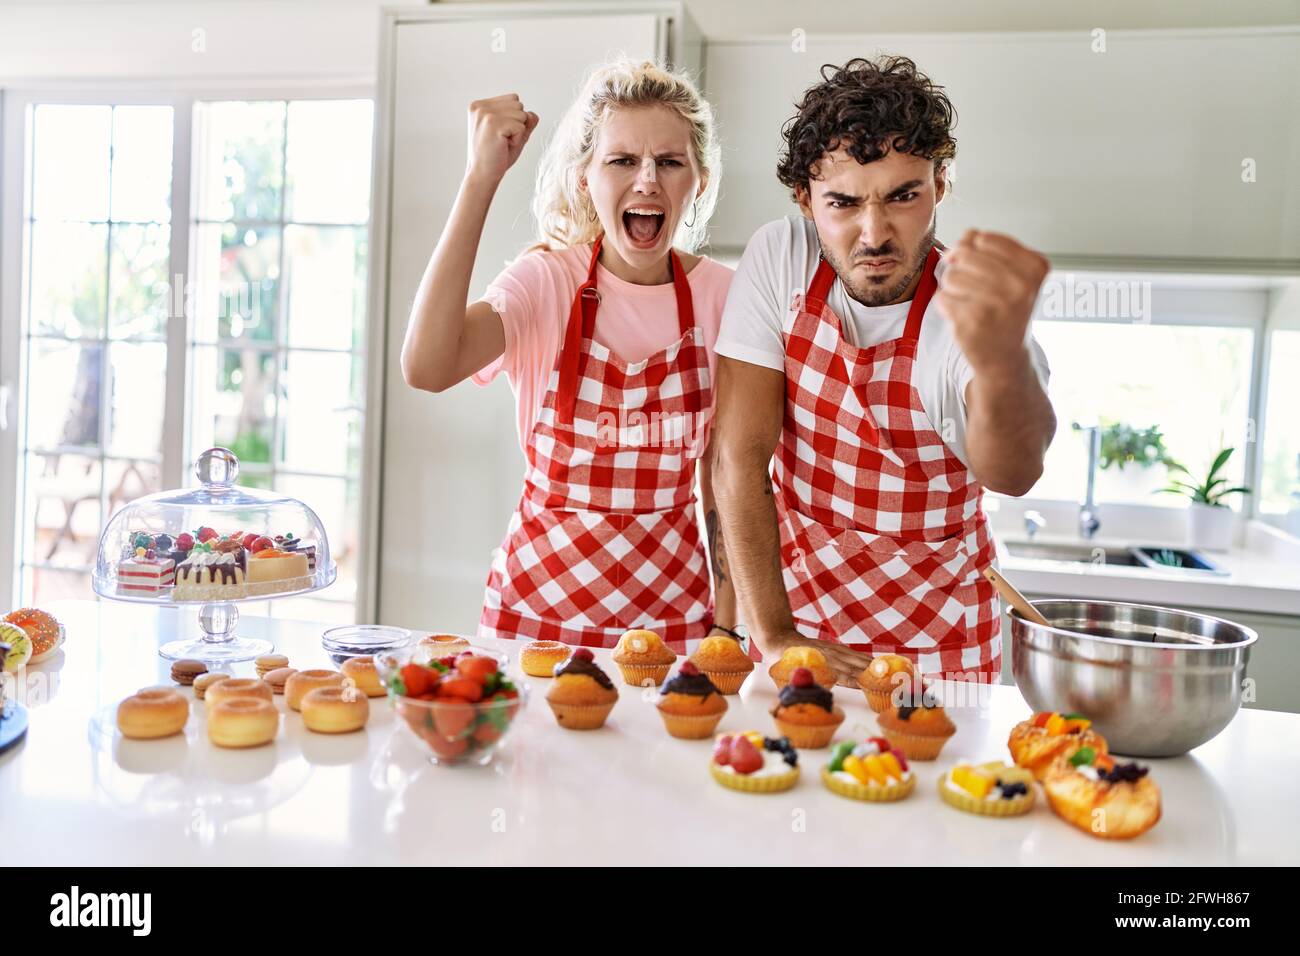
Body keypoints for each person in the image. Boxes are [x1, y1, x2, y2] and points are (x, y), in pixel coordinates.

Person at [711, 56, 1056, 685]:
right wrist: (774, 633)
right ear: (806, 201)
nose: (875, 235)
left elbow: (1013, 473)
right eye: (843, 203)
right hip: (798, 616)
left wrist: (1003, 359)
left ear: (939, 186)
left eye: (903, 196)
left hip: (942, 638)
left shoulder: (962, 312)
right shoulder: (781, 258)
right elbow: (738, 456)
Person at [401, 59, 738, 651]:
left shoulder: (723, 298)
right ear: (585, 177)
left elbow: (725, 480)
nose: (647, 180)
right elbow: (426, 367)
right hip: (531, 626)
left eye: (669, 161)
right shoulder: (544, 286)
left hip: (672, 633)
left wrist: (730, 630)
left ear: (699, 182)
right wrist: (481, 177)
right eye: (622, 160)